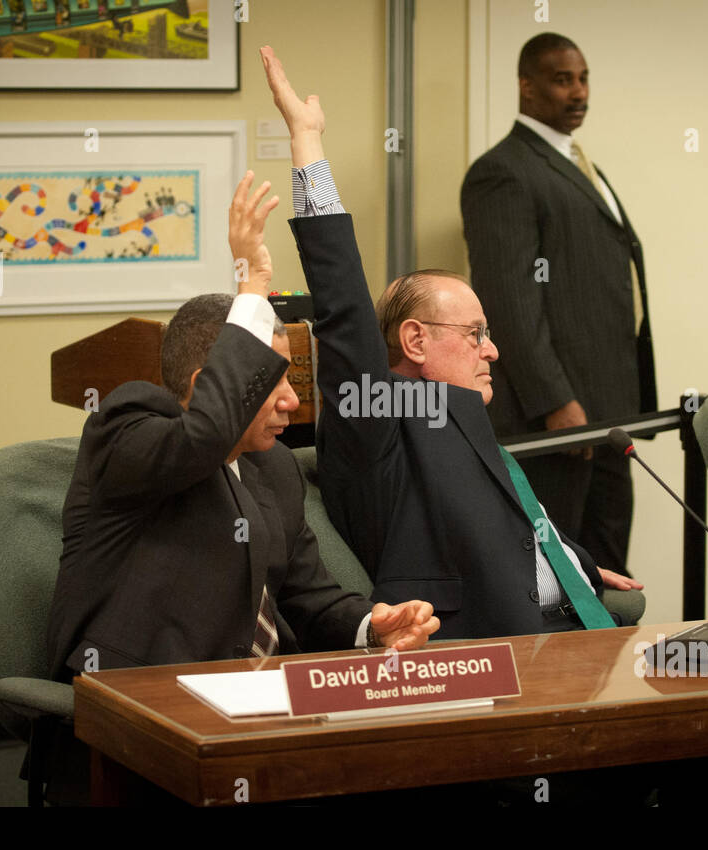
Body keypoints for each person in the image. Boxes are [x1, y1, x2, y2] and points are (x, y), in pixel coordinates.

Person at [261, 46, 643, 641]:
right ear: (413, 340)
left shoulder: (459, 415)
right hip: (487, 650)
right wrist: (307, 144)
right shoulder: (380, 416)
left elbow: (496, 522)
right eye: (475, 335)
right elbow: (344, 309)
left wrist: (573, 565)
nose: (492, 351)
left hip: (571, 623)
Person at [46, 172, 437, 684]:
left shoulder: (272, 466)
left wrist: (373, 626)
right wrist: (252, 287)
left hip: (264, 701)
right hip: (138, 701)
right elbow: (204, 436)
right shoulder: (126, 426)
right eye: (272, 383)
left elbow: (306, 596)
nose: (293, 402)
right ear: (210, 382)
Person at [459, 32, 655, 576]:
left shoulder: (577, 162)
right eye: (562, 79)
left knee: (613, 575)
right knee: (559, 578)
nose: (577, 91)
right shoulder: (502, 171)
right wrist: (555, 401)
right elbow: (508, 300)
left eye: (583, 78)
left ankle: (615, 665)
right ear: (527, 85)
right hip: (556, 420)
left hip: (607, 415)